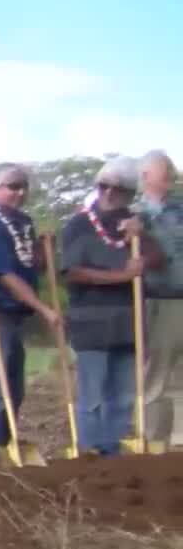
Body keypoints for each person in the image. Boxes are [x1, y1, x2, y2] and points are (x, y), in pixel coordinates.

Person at [60, 156, 165, 454]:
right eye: (104, 186)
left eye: (118, 189)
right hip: (91, 325)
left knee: (123, 396)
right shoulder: (79, 225)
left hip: (128, 324)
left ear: (130, 194)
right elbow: (74, 272)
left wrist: (141, 242)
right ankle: (90, 455)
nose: (109, 193)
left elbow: (158, 259)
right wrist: (123, 275)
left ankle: (113, 455)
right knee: (92, 397)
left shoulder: (133, 224)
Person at [0, 164, 62, 463]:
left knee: (15, 388)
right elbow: (5, 275)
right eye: (12, 186)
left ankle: (4, 449)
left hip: (15, 315)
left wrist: (45, 251)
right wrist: (43, 308)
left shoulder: (23, 222)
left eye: (23, 186)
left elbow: (30, 267)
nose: (19, 192)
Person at [139, 150, 183, 447]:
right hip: (159, 298)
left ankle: (180, 439)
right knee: (158, 372)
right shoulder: (135, 215)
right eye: (163, 169)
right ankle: (156, 442)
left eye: (170, 168)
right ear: (145, 177)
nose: (170, 174)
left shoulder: (179, 210)